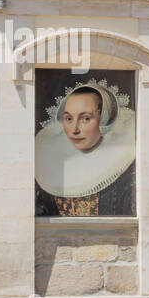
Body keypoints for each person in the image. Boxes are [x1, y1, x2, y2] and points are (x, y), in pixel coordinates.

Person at [35, 80, 135, 216]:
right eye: (69, 119)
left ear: (104, 119)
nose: (74, 130)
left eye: (85, 118)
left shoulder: (127, 165)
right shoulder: (48, 161)